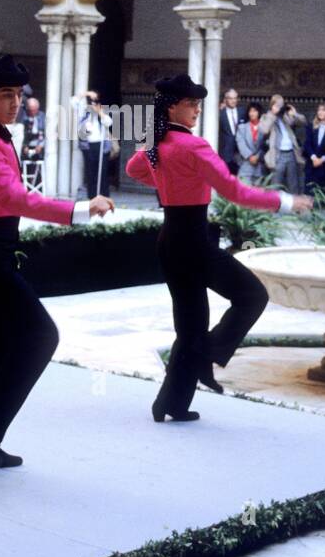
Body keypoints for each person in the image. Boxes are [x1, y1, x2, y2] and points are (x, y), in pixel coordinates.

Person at [0, 56, 113, 469]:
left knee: (4, 350)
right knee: (42, 337)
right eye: (6, 95)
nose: (15, 102)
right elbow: (16, 199)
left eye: (19, 95)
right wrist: (78, 209)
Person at [126, 74, 313, 422]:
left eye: (199, 103)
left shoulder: (157, 140)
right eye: (191, 103)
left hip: (170, 241)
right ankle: (204, 357)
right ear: (172, 106)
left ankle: (170, 403)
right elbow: (235, 191)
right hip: (194, 242)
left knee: (191, 326)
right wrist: (285, 202)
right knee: (253, 296)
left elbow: (134, 168)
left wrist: (173, 179)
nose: (197, 109)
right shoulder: (192, 146)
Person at [259, 94, 305, 196]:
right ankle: (272, 208)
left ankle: (294, 209)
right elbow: (264, 129)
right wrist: (273, 114)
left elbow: (303, 122)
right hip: (277, 155)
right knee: (275, 183)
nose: (280, 107)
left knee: (293, 184)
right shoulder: (266, 116)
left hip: (291, 154)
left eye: (281, 104)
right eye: (277, 105)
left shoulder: (286, 116)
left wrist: (294, 114)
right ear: (272, 105)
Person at [77, 90, 114, 198]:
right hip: (88, 146)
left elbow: (109, 122)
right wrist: (86, 93)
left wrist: (99, 112)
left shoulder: (101, 113)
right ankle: (92, 196)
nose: (92, 104)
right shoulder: (83, 113)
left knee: (102, 171)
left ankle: (104, 195)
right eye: (91, 101)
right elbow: (74, 101)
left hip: (101, 146)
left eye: (95, 101)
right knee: (90, 171)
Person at [303, 103, 325, 196]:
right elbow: (307, 144)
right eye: (319, 110)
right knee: (309, 191)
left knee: (323, 193)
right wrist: (313, 158)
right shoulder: (311, 126)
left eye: (324, 110)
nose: (320, 112)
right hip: (312, 164)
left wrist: (322, 159)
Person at [235, 102, 266, 185]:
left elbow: (267, 144)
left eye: (255, 111)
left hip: (260, 165)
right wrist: (250, 156)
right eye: (250, 111)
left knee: (259, 194)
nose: (252, 113)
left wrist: (258, 156)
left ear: (259, 112)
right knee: (243, 190)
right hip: (246, 164)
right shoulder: (242, 127)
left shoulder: (265, 128)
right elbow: (240, 143)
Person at [218, 89, 244, 175]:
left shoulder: (242, 112)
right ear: (226, 99)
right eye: (230, 98)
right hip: (226, 153)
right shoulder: (220, 114)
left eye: (235, 98)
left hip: (240, 153)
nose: (233, 100)